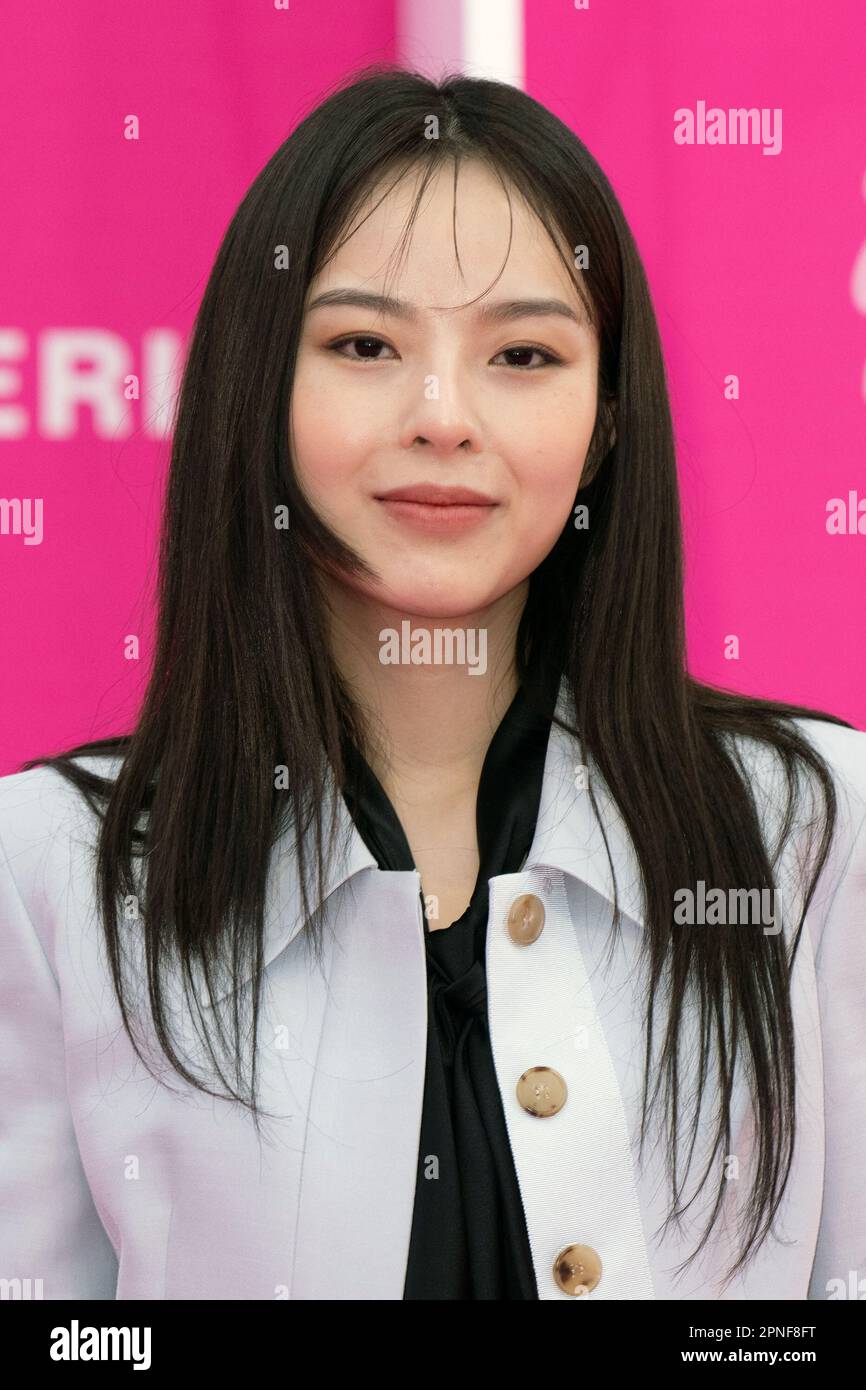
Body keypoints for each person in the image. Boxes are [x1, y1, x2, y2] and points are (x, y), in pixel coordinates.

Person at [1, 65, 864, 1302]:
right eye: (363, 344)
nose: (442, 415)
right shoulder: (49, 872)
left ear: (606, 423)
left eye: (522, 352)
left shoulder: (811, 830)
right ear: (257, 394)